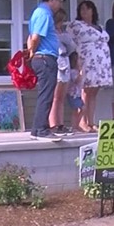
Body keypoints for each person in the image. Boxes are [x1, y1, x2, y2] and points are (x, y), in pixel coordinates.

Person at [25, 0, 67, 139]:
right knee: (46, 95)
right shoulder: (44, 13)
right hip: (45, 59)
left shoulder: (40, 12)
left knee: (45, 94)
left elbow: (31, 37)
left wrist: (31, 51)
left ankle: (36, 130)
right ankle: (42, 130)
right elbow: (35, 37)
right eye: (59, 1)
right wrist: (32, 52)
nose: (60, 5)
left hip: (43, 58)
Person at [67, 0, 113, 133]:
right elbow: (71, 43)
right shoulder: (76, 26)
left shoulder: (99, 26)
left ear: (93, 11)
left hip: (100, 64)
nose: (84, 12)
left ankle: (91, 122)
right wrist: (76, 62)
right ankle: (82, 122)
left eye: (87, 9)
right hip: (86, 61)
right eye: (82, 9)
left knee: (93, 93)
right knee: (85, 91)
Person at [50, 8, 79, 136]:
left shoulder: (62, 33)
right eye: (60, 21)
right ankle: (53, 125)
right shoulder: (52, 34)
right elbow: (70, 44)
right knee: (55, 97)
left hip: (65, 65)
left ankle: (60, 124)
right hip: (57, 64)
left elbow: (73, 47)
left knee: (61, 98)